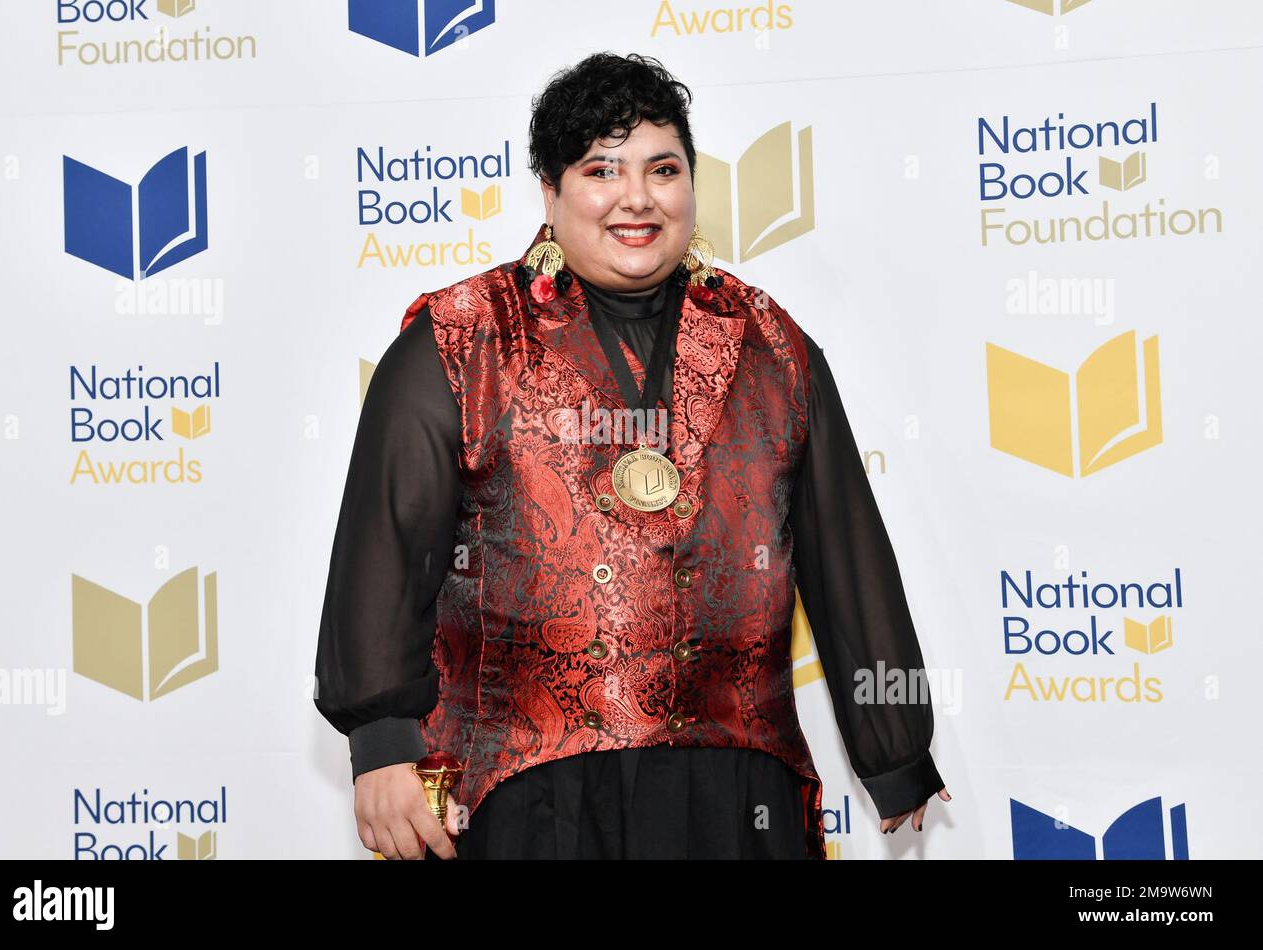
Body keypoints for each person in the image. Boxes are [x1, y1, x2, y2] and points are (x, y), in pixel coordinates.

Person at [314, 52, 950, 860]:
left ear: (691, 183)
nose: (637, 198)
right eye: (601, 169)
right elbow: (388, 545)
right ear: (550, 190)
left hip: (737, 790)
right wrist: (380, 742)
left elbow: (844, 551)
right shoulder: (459, 339)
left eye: (663, 168)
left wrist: (893, 750)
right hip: (524, 794)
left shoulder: (772, 344)